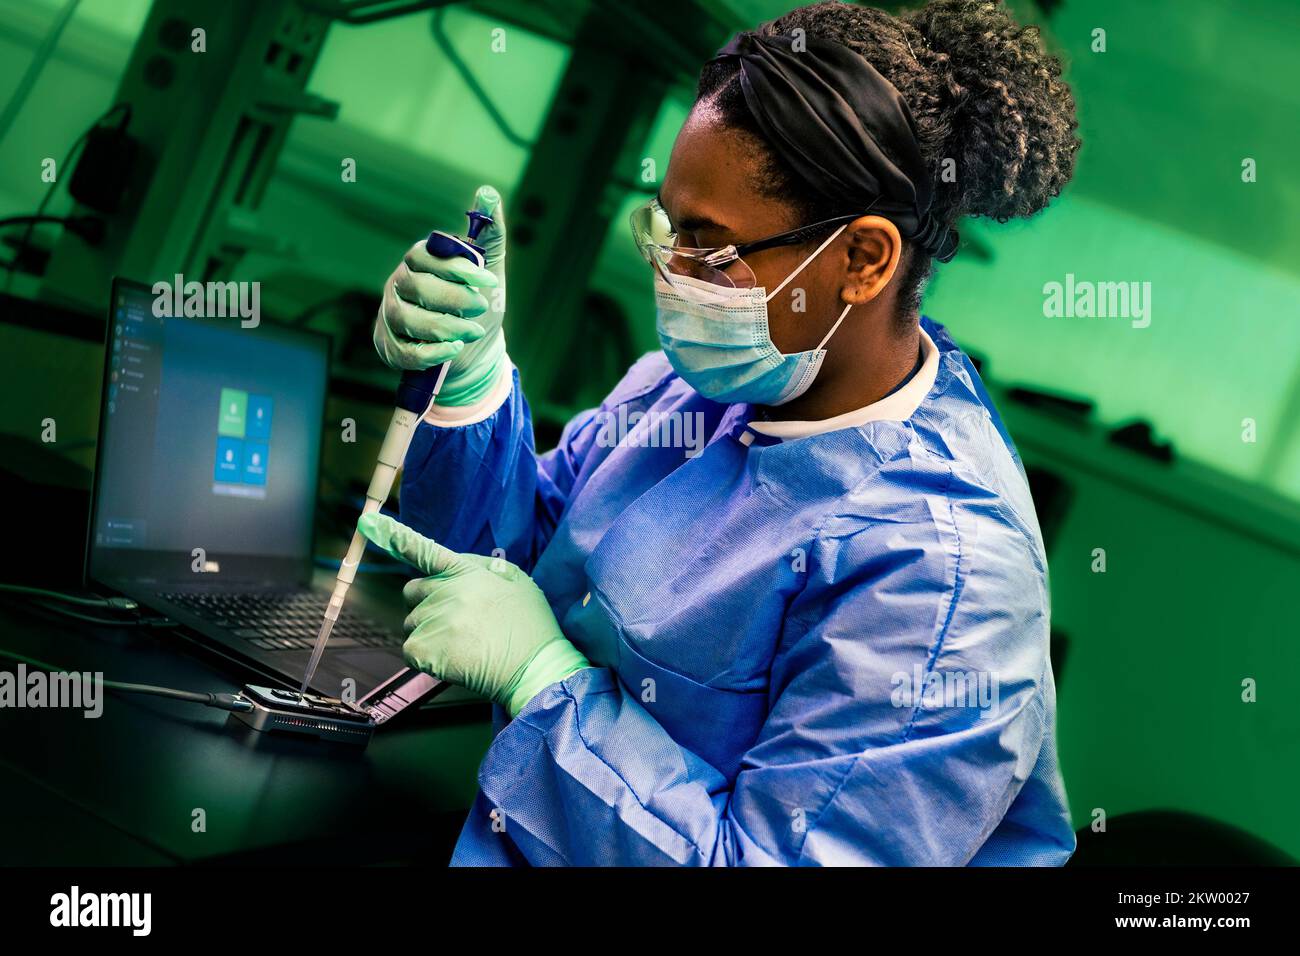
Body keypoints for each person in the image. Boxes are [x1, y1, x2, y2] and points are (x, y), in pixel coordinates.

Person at [360, 0, 1081, 865]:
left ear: (863, 260)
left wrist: (547, 687)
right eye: (669, 227)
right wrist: (471, 388)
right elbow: (509, 570)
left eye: (710, 244)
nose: (674, 274)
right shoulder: (706, 384)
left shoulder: (942, 584)